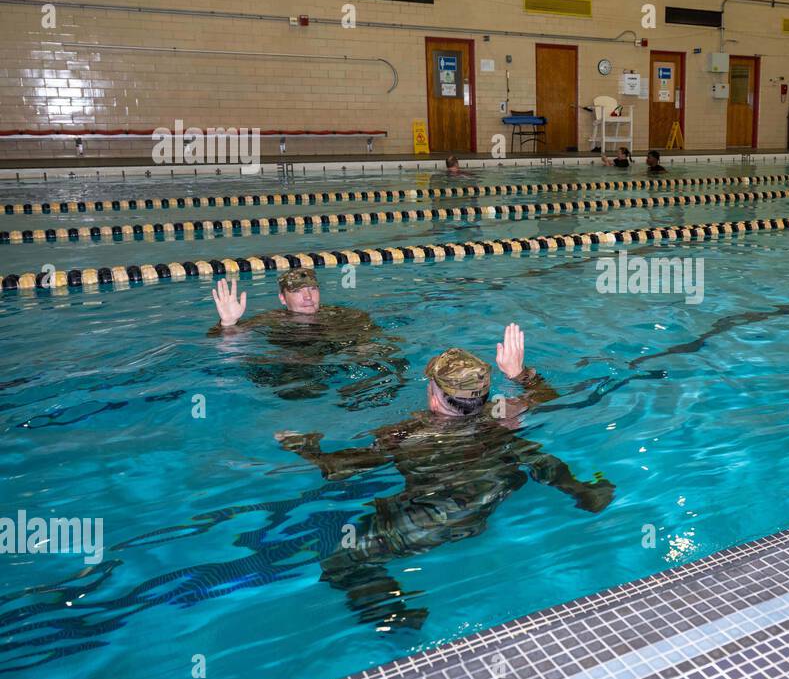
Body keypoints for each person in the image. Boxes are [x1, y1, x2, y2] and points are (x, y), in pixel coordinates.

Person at [275, 323, 614, 628]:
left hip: (434, 521)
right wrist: (520, 373)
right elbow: (551, 399)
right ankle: (582, 491)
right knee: (525, 449)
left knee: (339, 558)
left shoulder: (404, 434)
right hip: (493, 496)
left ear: (436, 397)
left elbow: (339, 470)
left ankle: (394, 617)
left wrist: (305, 447)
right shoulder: (502, 410)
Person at [210, 269, 408, 409]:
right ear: (282, 298)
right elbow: (219, 343)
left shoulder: (346, 314)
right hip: (295, 365)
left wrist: (363, 349)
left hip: (339, 358)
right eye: (297, 291)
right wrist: (228, 323)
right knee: (296, 391)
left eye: (312, 289)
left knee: (395, 362)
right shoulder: (269, 319)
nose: (307, 297)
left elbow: (377, 337)